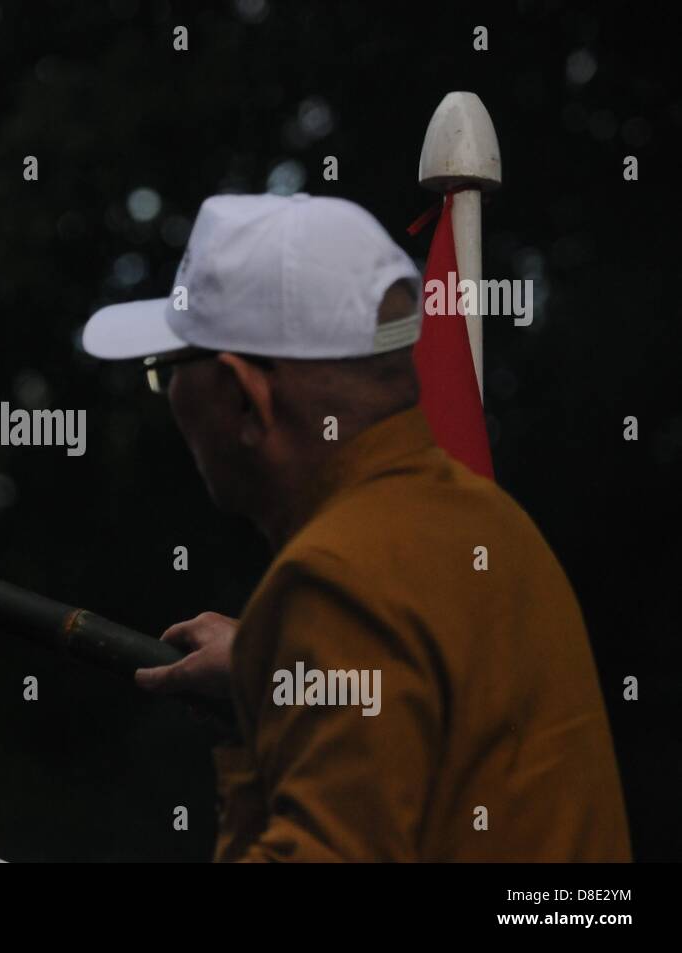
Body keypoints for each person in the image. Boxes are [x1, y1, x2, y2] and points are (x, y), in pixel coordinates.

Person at [82, 193, 631, 862]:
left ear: (243, 397)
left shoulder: (336, 579)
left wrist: (266, 705)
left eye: (166, 369)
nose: (166, 397)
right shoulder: (496, 523)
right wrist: (270, 668)